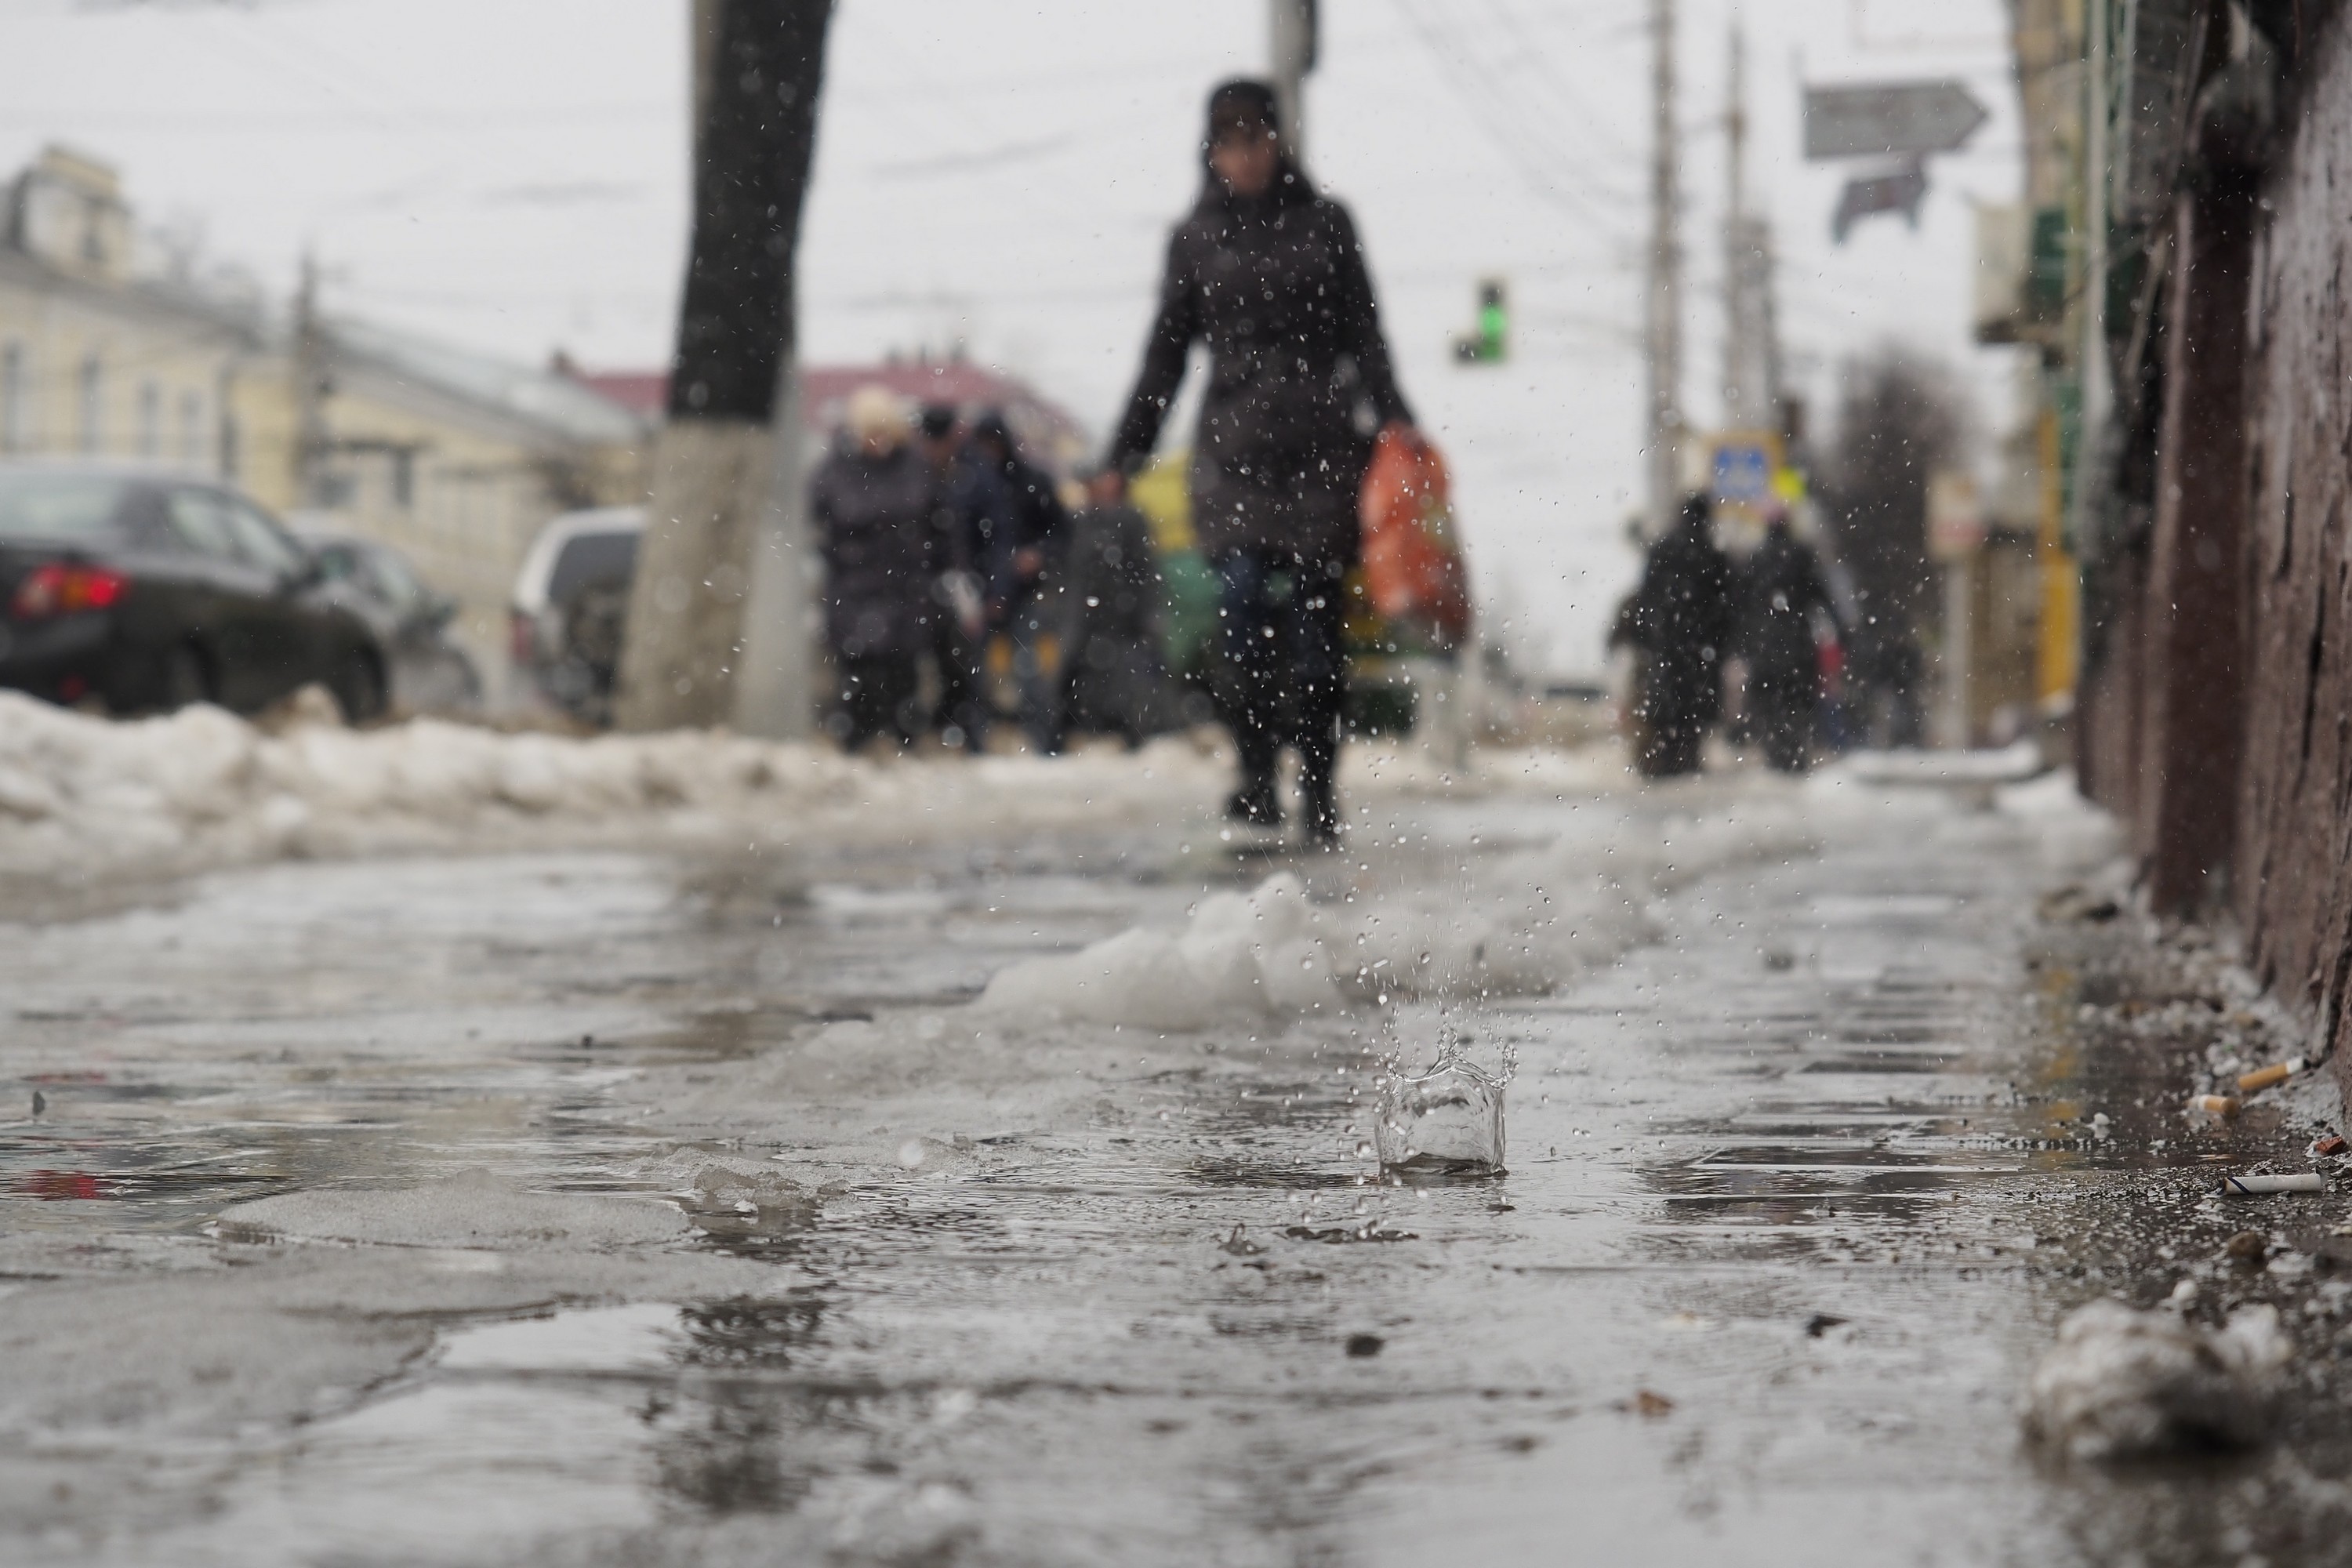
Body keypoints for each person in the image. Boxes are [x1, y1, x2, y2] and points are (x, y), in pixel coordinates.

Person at [1104, 77, 1416, 844]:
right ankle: (1252, 775)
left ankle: (1316, 784)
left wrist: (1398, 421)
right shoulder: (1196, 238)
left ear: (1278, 143)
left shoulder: (1327, 224)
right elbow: (1165, 355)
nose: (1242, 155)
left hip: (1321, 444)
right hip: (1236, 448)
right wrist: (1126, 452)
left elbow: (1365, 333)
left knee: (1317, 621)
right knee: (1241, 610)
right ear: (1210, 152)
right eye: (1228, 142)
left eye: (1255, 139)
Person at [811, 386, 939, 752]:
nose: (878, 441)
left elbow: (939, 525)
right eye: (871, 432)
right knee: (858, 674)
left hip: (905, 588)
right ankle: (858, 741)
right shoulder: (836, 469)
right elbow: (820, 521)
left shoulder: (916, 468)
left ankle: (903, 741)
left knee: (903, 674)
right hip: (855, 590)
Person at [1048, 469, 1177, 750]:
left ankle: (1136, 734)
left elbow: (1144, 568)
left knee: (1130, 678)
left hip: (1123, 612)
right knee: (1071, 672)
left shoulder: (1131, 520)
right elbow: (1070, 566)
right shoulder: (1080, 520)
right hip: (1083, 613)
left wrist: (1149, 612)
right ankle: (1058, 736)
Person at [966, 410, 1067, 750]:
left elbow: (1061, 531)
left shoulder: (1032, 481)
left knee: (1029, 670)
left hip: (1024, 591)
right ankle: (975, 742)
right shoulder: (968, 486)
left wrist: (1037, 555)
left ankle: (1044, 740)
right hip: (980, 591)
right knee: (975, 674)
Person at [1622, 493, 1735, 778]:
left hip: (1666, 647)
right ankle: (1688, 765)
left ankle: (1663, 766)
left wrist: (1646, 638)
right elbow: (1724, 608)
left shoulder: (1662, 549)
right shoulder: (1712, 553)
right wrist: (1721, 645)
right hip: (1700, 651)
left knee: (1665, 714)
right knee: (1692, 720)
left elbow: (1646, 599)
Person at [1737, 511, 1842, 773]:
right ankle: (1794, 753)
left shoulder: (1755, 560)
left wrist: (1740, 644)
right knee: (1797, 703)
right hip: (1797, 646)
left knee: (1770, 704)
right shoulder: (1800, 556)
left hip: (1764, 649)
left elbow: (1740, 606)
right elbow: (1821, 596)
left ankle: (1775, 753)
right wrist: (1841, 630)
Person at [917, 402, 991, 752]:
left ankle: (971, 737)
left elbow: (991, 533)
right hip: (923, 584)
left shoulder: (975, 475)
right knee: (933, 666)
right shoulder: (916, 475)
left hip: (968, 583)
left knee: (966, 666)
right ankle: (934, 734)